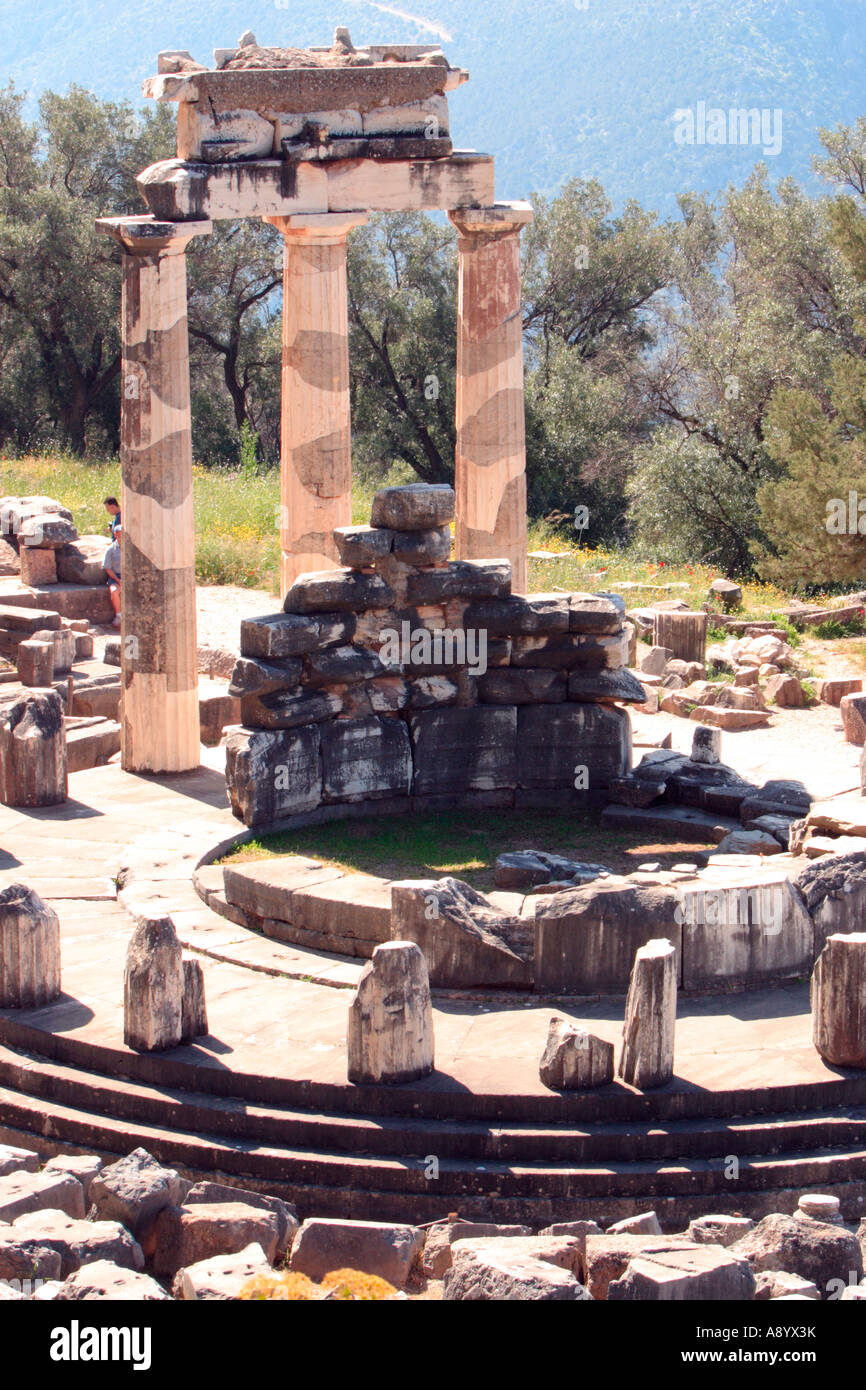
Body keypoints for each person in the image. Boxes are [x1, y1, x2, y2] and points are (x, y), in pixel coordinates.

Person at [104, 525, 122, 628]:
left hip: (129, 576)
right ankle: (118, 615)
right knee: (114, 591)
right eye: (120, 535)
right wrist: (118, 580)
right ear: (116, 535)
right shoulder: (111, 550)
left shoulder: (130, 547)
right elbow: (107, 568)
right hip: (116, 576)